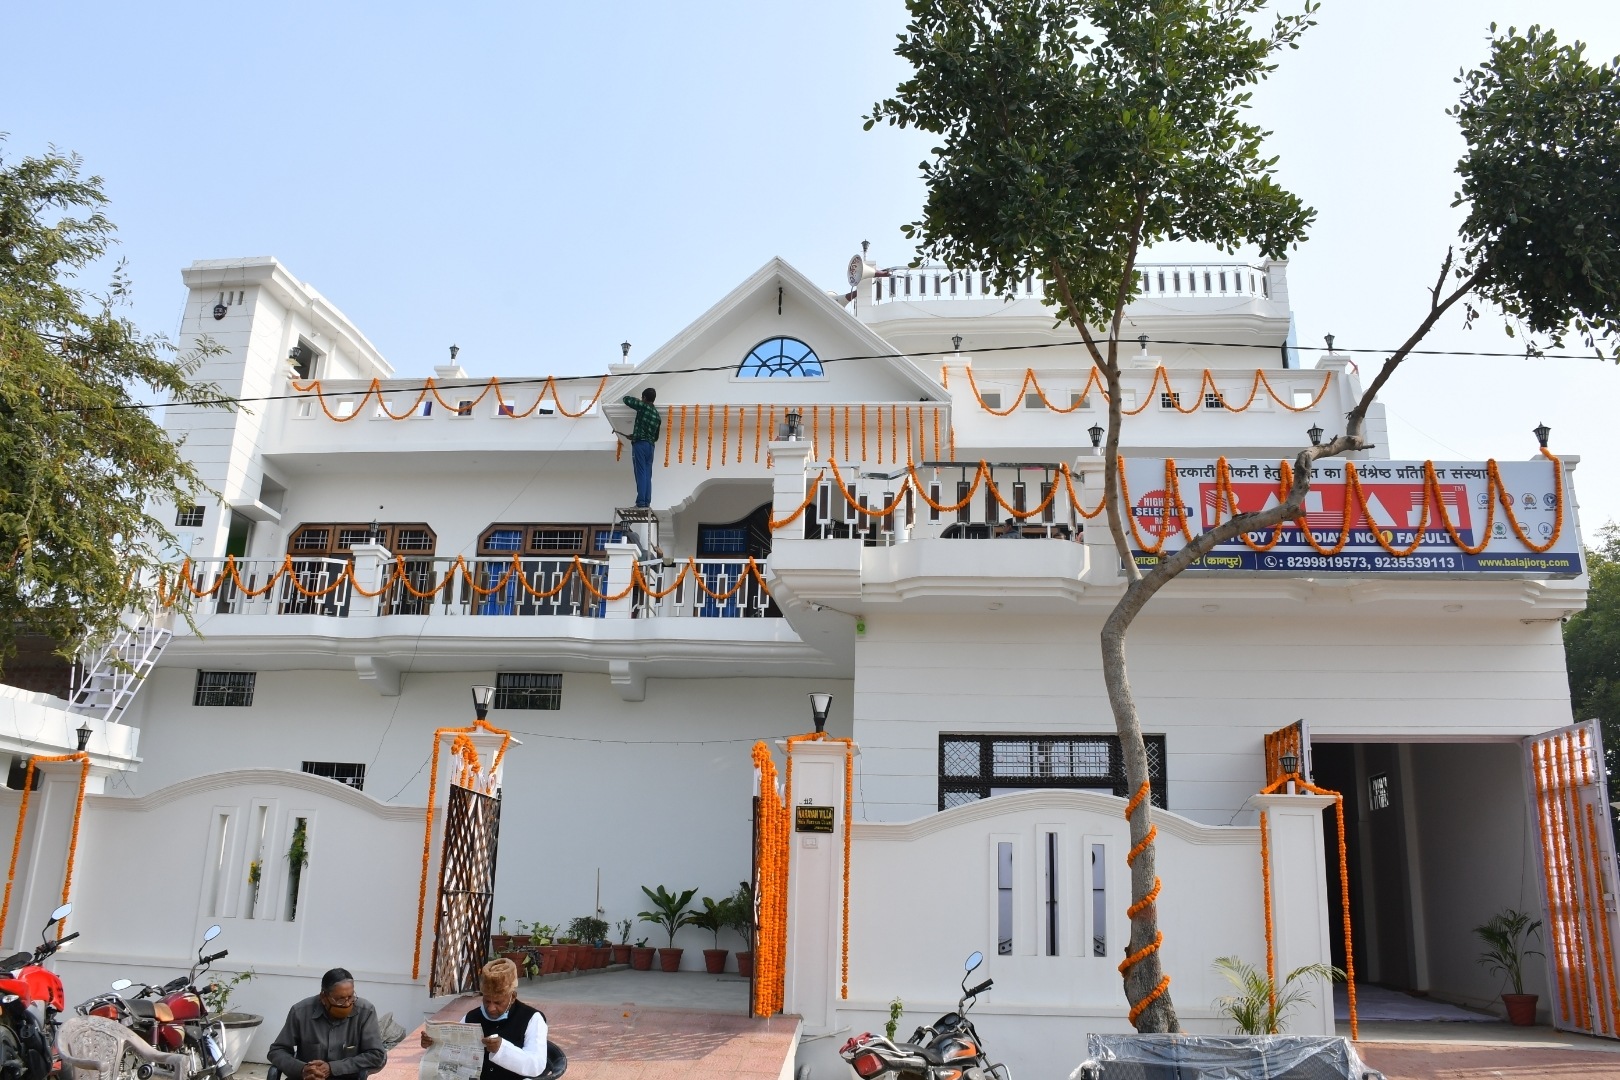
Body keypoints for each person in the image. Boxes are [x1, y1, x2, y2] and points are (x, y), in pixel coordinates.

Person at [420, 959, 549, 1080]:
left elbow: (536, 1066)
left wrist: (502, 1049)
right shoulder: (471, 1017)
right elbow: (454, 1052)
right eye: (487, 1001)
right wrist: (433, 1044)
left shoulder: (532, 1019)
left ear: (513, 997)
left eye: (498, 1002)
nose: (491, 1008)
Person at [268, 968, 387, 1080]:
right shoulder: (300, 1011)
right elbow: (277, 1051)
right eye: (340, 999)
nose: (347, 1004)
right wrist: (302, 1069)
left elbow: (376, 1055)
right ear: (323, 997)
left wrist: (332, 1068)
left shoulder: (366, 1011)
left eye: (350, 997)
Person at [621, 387, 661, 508]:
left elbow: (626, 399)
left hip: (640, 445)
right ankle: (646, 502)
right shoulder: (657, 416)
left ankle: (641, 502)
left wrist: (638, 437)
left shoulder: (643, 406)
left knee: (640, 472)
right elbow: (655, 437)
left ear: (644, 397)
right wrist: (635, 436)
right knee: (647, 474)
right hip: (650, 447)